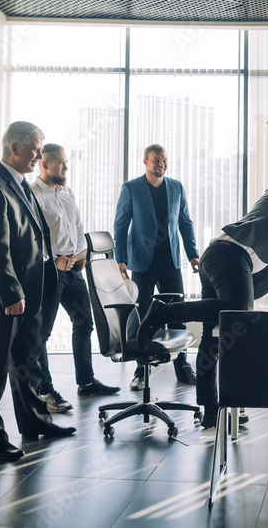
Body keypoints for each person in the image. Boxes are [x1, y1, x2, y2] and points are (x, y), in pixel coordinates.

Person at [137, 107, 268, 429]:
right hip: (229, 254)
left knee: (216, 329)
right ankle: (163, 312)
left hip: (223, 256)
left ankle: (211, 409)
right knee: (239, 312)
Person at [0, 121, 75, 462]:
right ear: (14, 148)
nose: (38, 156)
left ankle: (34, 421)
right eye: (34, 149)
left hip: (31, 291)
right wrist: (11, 293)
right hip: (6, 296)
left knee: (26, 362)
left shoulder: (22, 184)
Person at [32, 144, 120, 413]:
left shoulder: (67, 192)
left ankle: (86, 381)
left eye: (66, 163)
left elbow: (78, 227)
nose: (65, 168)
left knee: (84, 323)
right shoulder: (33, 195)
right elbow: (33, 236)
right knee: (42, 333)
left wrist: (80, 255)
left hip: (74, 269)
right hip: (51, 270)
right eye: (60, 164)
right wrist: (54, 258)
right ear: (44, 164)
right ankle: (45, 391)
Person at [114, 144, 200, 390]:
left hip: (170, 261)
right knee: (142, 314)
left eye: (163, 159)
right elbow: (120, 225)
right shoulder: (131, 188)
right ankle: (141, 369)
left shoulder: (176, 187)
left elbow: (185, 223)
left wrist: (193, 254)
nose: (160, 163)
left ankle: (182, 365)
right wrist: (121, 259)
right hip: (142, 262)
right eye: (155, 160)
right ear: (145, 162)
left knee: (178, 313)